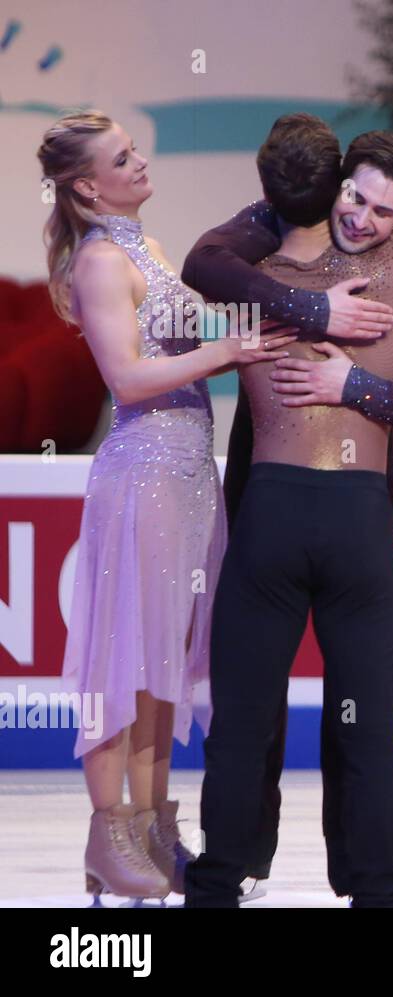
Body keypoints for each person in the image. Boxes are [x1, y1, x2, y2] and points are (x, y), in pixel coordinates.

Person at [182, 128, 393, 907]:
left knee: (297, 725)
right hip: (331, 523)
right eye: (356, 195)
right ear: (335, 182)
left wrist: (351, 385)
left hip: (295, 520)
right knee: (324, 726)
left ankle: (239, 885)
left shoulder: (253, 273)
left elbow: (198, 278)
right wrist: (330, 311)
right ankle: (351, 889)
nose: (364, 218)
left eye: (386, 212)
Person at [37, 110, 293, 902]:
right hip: (143, 474)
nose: (140, 160)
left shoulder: (145, 245)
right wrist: (228, 350)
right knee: (124, 658)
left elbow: (209, 326)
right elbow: (127, 378)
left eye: (135, 148)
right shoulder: (103, 260)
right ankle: (108, 831)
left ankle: (151, 826)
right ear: (87, 185)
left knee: (163, 669)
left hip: (186, 478)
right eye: (122, 157)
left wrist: (290, 316)